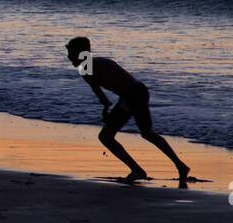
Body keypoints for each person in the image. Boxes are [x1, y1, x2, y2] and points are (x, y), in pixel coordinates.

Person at [65, 36, 191, 187]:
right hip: (137, 92)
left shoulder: (86, 68)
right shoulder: (98, 62)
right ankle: (178, 166)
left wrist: (106, 109)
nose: (68, 57)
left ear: (80, 53)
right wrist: (107, 109)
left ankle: (140, 170)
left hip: (132, 95)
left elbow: (102, 96)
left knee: (109, 136)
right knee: (142, 133)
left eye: (70, 53)